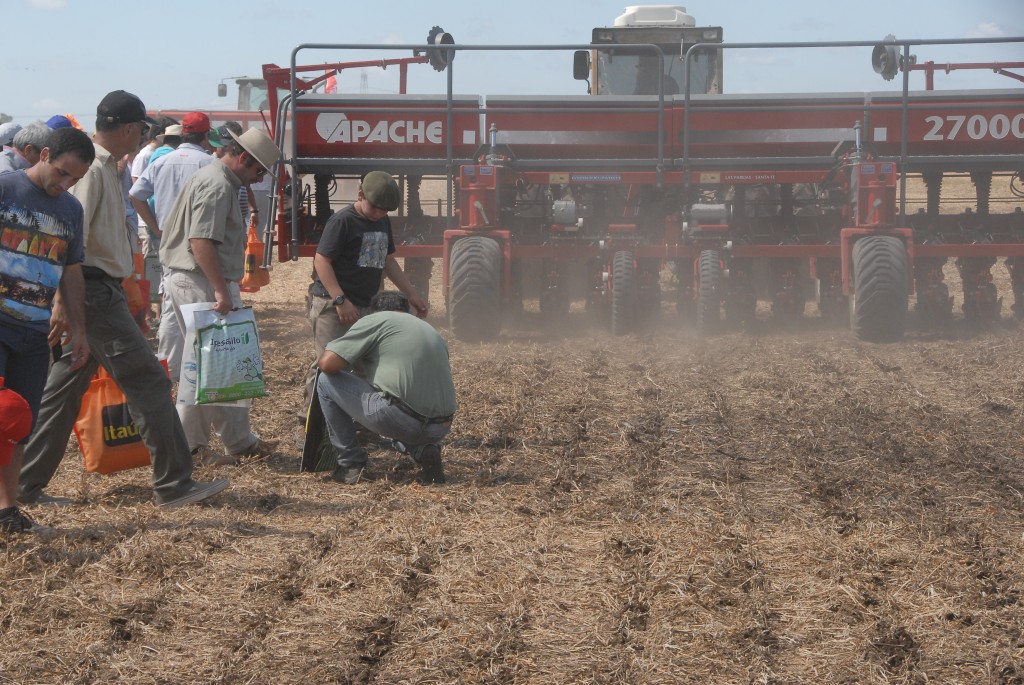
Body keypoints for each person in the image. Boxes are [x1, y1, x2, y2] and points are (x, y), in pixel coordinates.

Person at [18, 90, 229, 509]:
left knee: (63, 388)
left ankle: (24, 485)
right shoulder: (93, 169)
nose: (141, 138)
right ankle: (174, 484)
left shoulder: (106, 167)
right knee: (148, 379)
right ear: (132, 129)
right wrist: (66, 301)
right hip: (91, 293)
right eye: (141, 130)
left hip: (98, 291)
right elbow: (67, 237)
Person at [158, 127, 280, 466]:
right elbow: (201, 242)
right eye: (258, 171)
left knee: (227, 363)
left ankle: (240, 441)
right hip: (199, 280)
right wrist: (219, 290)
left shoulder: (219, 180)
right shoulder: (216, 184)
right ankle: (194, 448)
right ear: (242, 158)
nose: (258, 180)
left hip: (203, 280)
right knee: (203, 366)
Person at [0, 127, 95, 532]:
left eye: (74, 178)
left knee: (19, 424)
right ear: (41, 155)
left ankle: (6, 510)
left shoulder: (71, 210)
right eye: (61, 173)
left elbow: (70, 272)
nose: (65, 184)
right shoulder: (6, 189)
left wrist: (79, 328)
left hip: (35, 332)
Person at [303, 171, 429, 409]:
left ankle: (358, 418)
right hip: (333, 305)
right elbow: (321, 261)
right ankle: (314, 422)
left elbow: (388, 261)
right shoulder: (342, 221)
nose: (380, 214)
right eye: (375, 208)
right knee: (327, 364)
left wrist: (411, 293)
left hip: (366, 305)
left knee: (363, 365)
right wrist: (340, 300)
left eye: (385, 210)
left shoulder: (381, 221)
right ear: (360, 195)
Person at [317, 290, 456, 485]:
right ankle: (423, 450)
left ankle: (350, 463)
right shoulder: (431, 330)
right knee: (398, 405)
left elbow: (327, 364)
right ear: (405, 310)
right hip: (440, 427)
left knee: (325, 381)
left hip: (400, 418)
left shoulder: (377, 320)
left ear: (376, 311)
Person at [129, 112, 216, 377]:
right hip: (201, 243)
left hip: (167, 241)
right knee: (205, 305)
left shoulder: (162, 162)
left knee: (170, 302)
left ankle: (168, 367)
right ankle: (203, 369)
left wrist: (157, 228)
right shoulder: (209, 163)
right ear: (204, 135)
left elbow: (136, 196)